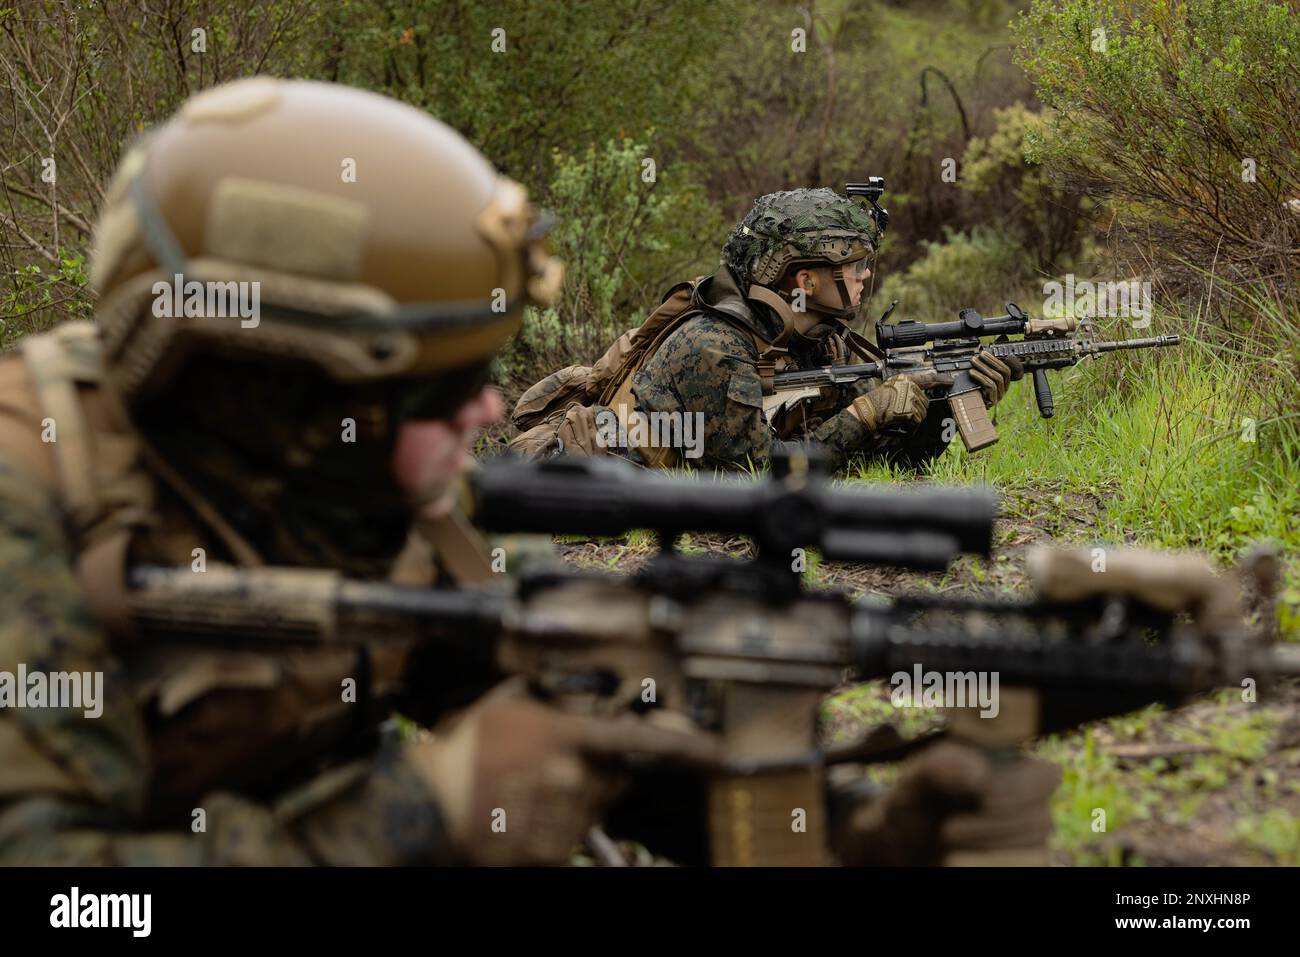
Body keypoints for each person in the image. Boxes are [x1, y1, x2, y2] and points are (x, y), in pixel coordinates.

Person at [0, 77, 721, 866]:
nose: (488, 409)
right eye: (445, 387)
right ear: (287, 393)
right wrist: (426, 809)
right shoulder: (29, 488)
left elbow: (534, 653)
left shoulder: (364, 484)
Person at [509, 187, 1019, 471]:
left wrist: (939, 408)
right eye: (857, 264)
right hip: (573, 481)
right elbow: (754, 474)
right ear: (805, 278)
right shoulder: (712, 345)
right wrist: (865, 413)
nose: (867, 276)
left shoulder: (822, 339)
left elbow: (888, 463)